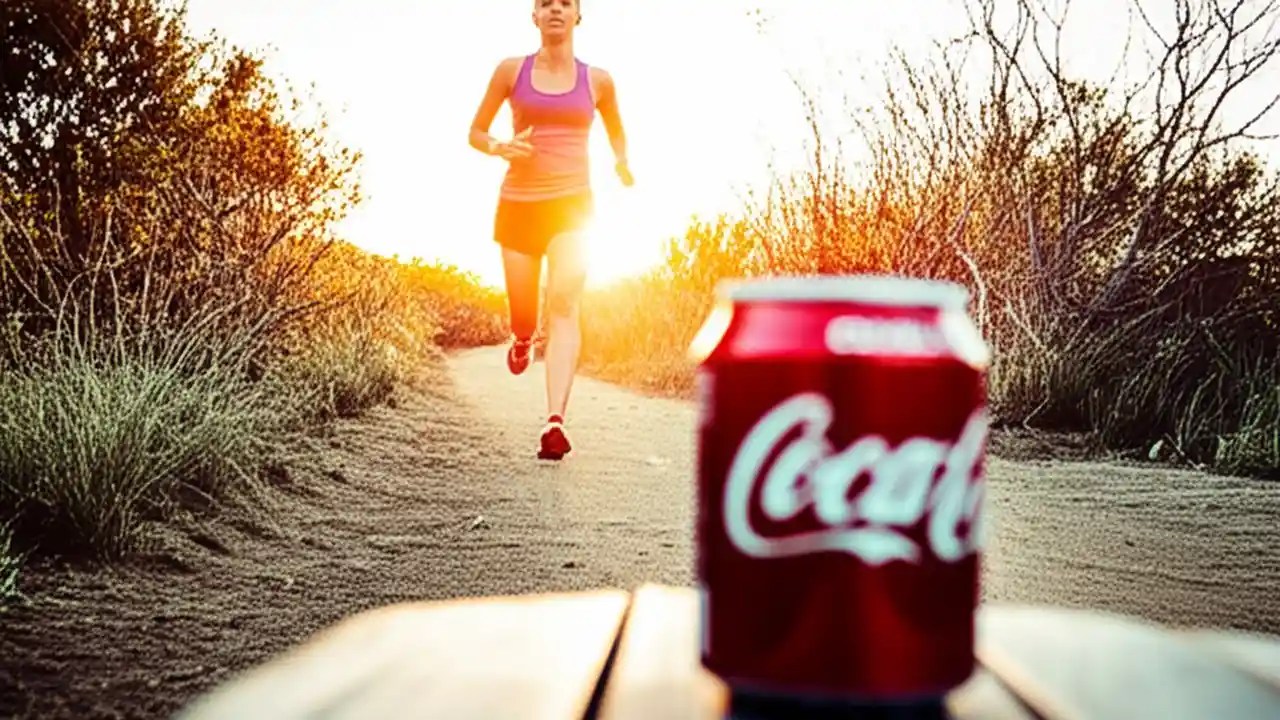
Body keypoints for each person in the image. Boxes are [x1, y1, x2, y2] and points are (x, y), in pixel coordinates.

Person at [468, 0, 633, 460]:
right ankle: (523, 337)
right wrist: (501, 146)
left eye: (565, 3)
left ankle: (554, 422)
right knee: (526, 313)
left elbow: (616, 129)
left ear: (579, 14)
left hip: (573, 205)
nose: (555, 9)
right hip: (519, 205)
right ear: (534, 16)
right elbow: (476, 132)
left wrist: (621, 161)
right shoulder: (509, 71)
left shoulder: (598, 80)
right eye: (546, 3)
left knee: (563, 301)